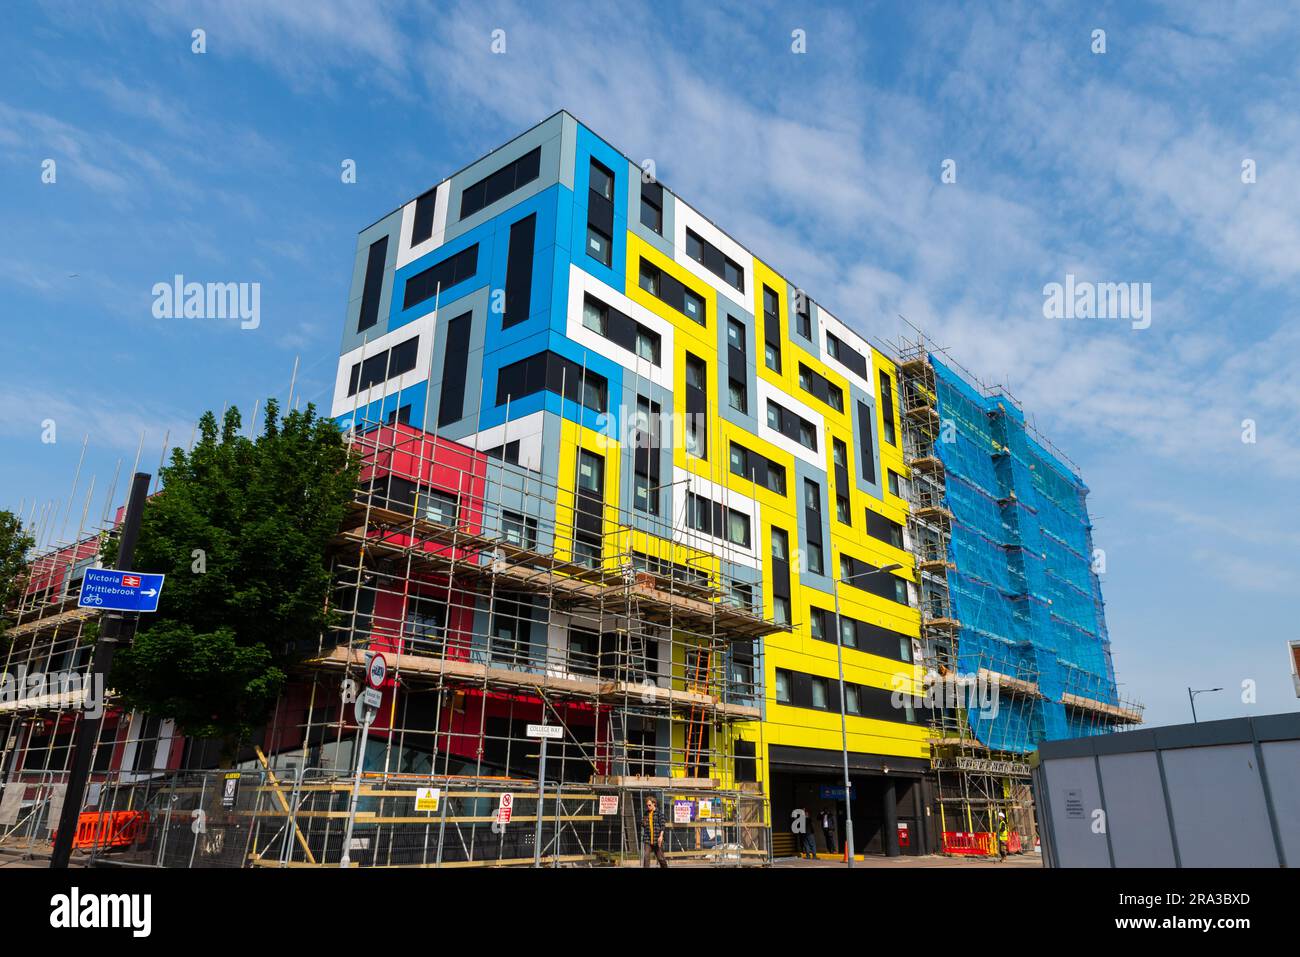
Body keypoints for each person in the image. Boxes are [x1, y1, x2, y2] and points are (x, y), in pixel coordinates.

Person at [641, 795, 668, 868]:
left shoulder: (659, 813)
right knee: (646, 856)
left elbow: (662, 825)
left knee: (661, 858)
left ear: (654, 804)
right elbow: (643, 825)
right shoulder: (646, 813)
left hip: (657, 839)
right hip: (648, 839)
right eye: (647, 805)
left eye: (649, 805)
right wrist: (643, 822)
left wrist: (661, 836)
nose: (648, 807)